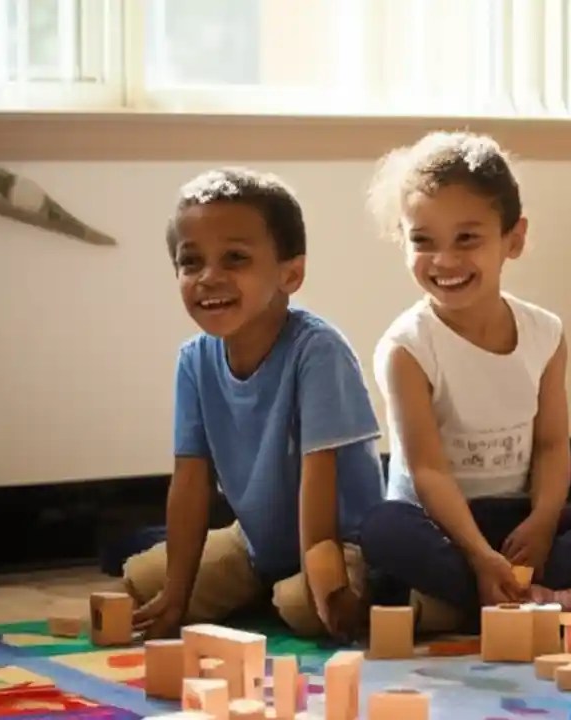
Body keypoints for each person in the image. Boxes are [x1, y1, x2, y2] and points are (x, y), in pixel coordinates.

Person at [358, 131, 571, 628]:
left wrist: (542, 524)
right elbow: (428, 471)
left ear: (513, 239)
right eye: (422, 241)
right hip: (440, 525)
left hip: (518, 520)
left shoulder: (545, 334)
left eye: (467, 238)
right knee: (382, 530)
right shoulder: (406, 348)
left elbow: (550, 446)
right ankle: (539, 598)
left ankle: (480, 602)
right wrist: (478, 555)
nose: (445, 260)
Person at [125, 168, 385, 641]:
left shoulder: (317, 350)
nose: (209, 277)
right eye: (191, 262)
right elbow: (190, 480)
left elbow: (318, 481)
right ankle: (266, 590)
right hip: (257, 543)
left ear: (291, 273)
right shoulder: (194, 360)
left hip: (337, 542)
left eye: (235, 259)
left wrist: (324, 586)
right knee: (144, 581)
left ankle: (306, 594)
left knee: (304, 603)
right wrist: (177, 594)